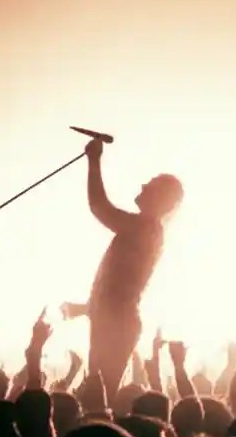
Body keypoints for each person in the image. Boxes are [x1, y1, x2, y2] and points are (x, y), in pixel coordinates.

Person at [61, 137, 183, 395]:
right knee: (96, 393)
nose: (143, 185)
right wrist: (86, 308)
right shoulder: (146, 229)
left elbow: (99, 207)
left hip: (117, 323)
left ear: (160, 198)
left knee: (97, 395)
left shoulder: (145, 227)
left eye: (149, 185)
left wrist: (94, 162)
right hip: (116, 320)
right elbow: (121, 288)